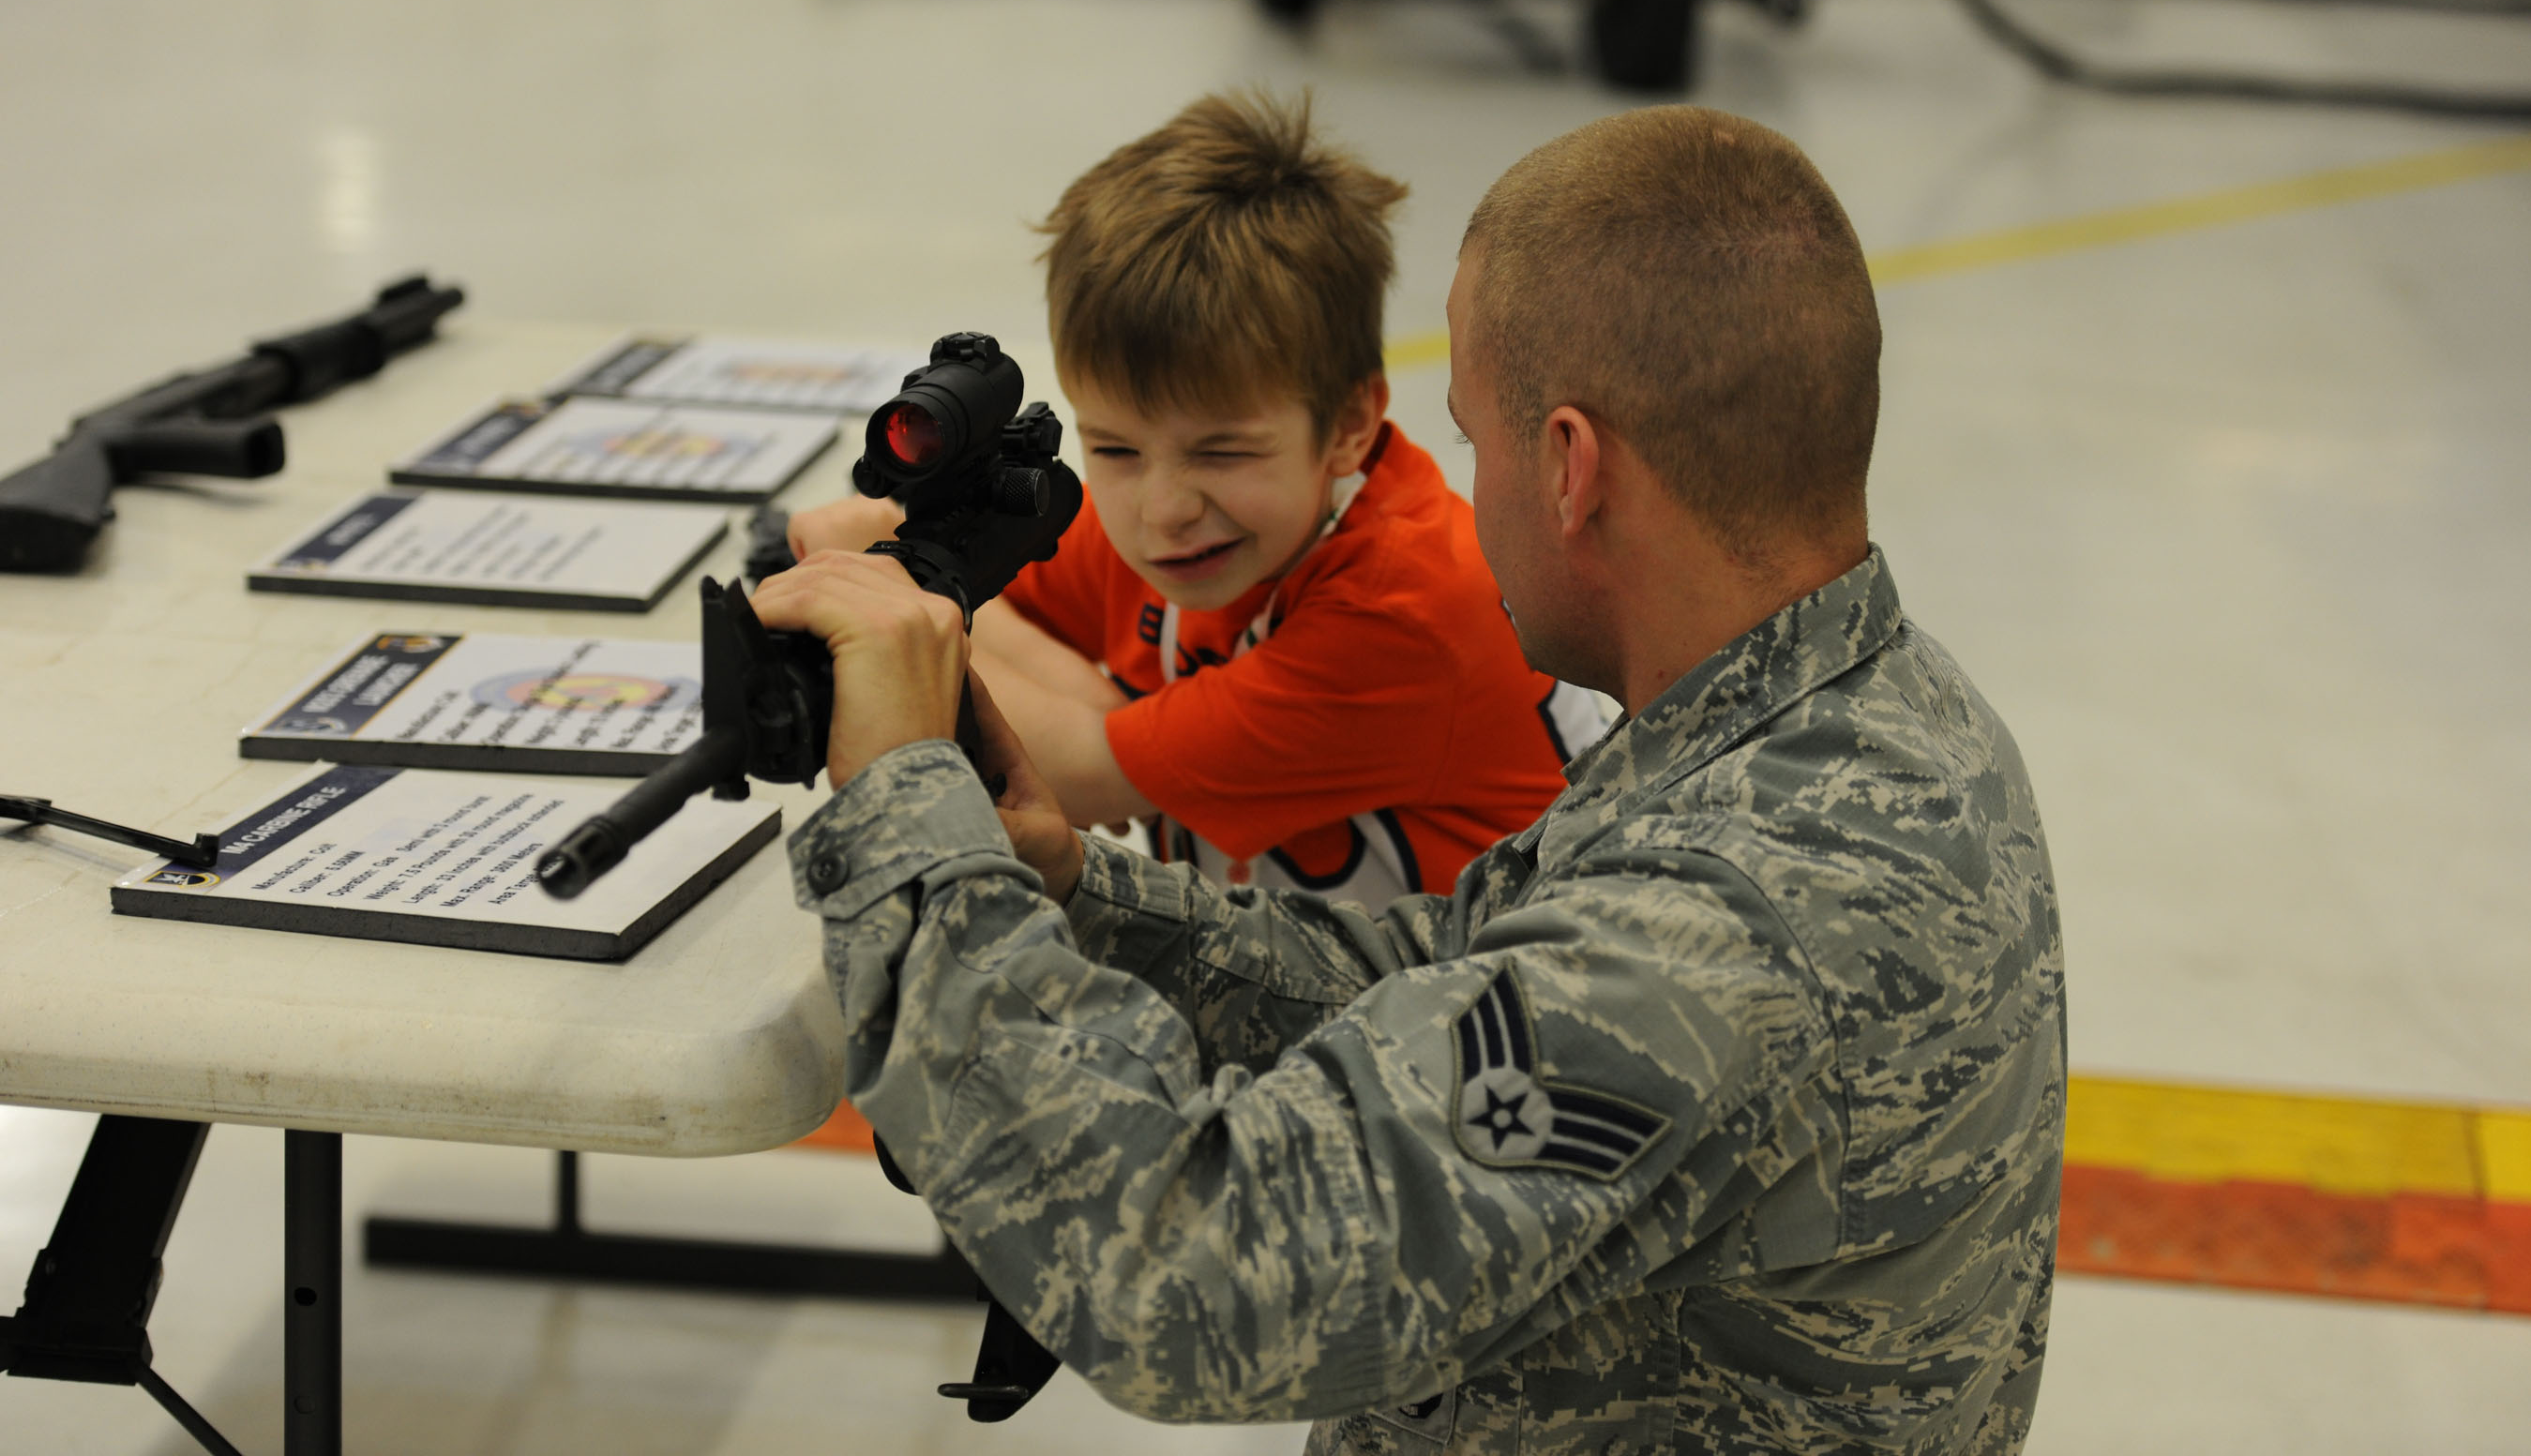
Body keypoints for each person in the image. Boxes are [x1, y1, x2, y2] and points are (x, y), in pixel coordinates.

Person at [754, 106, 2067, 1452]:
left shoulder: (1734, 919)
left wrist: (908, 807)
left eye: (1476, 440)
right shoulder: (1856, 712)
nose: (1461, 492)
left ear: (1569, 468)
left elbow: (1188, 1283)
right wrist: (1081, 890)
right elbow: (1473, 973)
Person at [788, 90, 1601, 908]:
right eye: (1112, 447)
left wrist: (891, 589)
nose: (1161, 508)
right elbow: (1020, 642)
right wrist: (906, 574)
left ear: (1351, 422)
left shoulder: (1404, 608)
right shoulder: (1200, 527)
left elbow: (1089, 776)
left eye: (1222, 450)